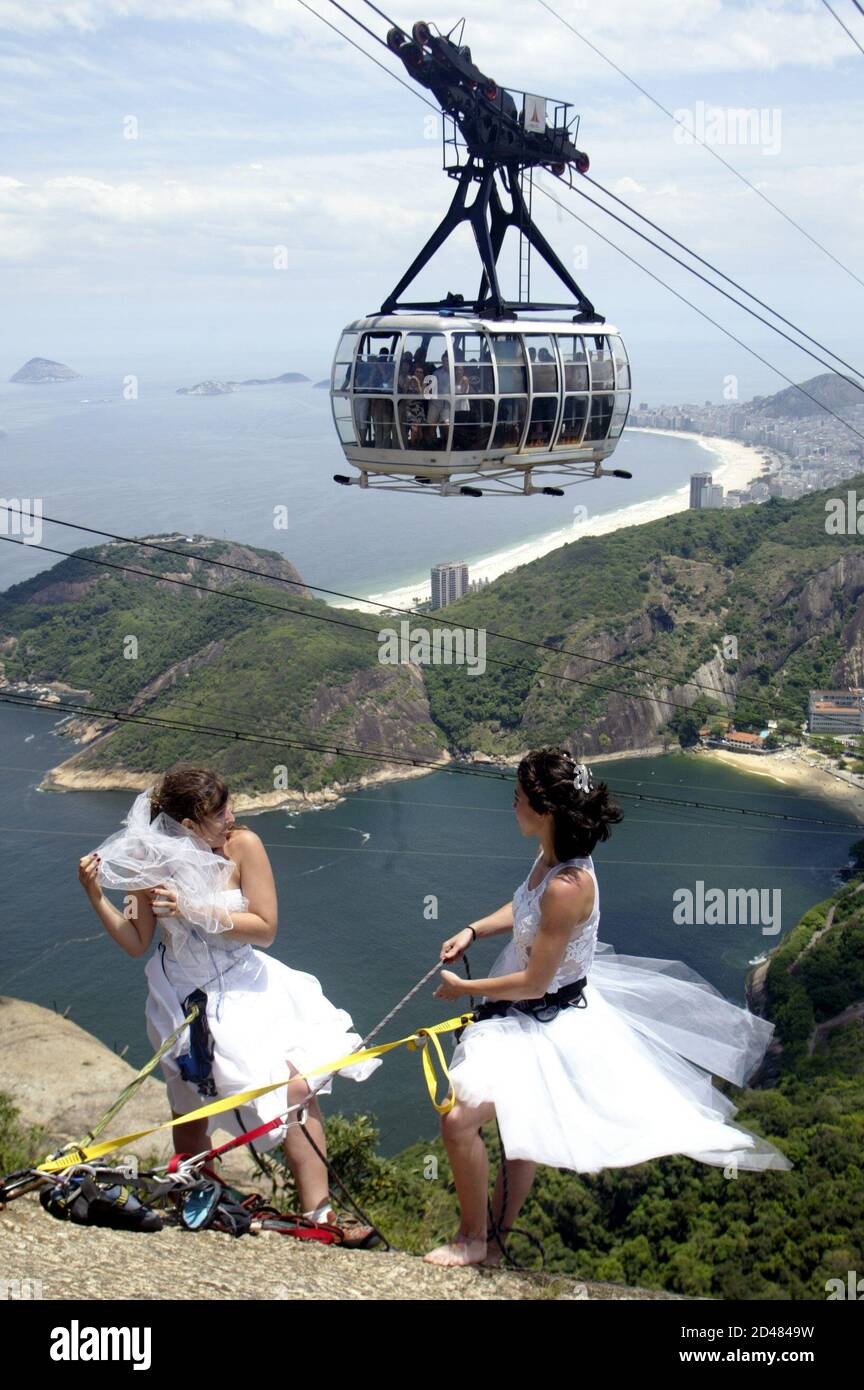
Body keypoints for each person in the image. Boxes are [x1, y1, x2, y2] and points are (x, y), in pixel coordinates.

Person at [424, 746, 793, 1267]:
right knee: (517, 1130)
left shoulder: (570, 886)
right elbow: (525, 906)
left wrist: (463, 991)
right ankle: (493, 1240)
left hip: (547, 1017)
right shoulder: (551, 859)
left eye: (518, 798)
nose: (511, 807)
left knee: (460, 1121)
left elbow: (534, 982)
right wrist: (473, 929)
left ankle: (474, 1238)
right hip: (528, 1011)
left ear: (546, 810)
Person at [77, 766, 382, 1245]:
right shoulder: (149, 860)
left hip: (245, 985)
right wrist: (96, 895)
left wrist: (193, 909)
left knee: (296, 1087)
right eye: (219, 813)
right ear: (189, 823)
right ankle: (199, 1202)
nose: (231, 818)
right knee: (190, 1106)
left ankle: (319, 1216)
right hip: (182, 992)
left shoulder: (245, 846)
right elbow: (137, 940)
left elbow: (265, 927)